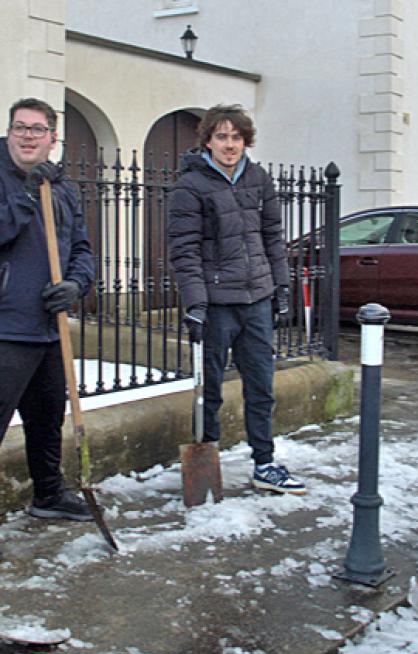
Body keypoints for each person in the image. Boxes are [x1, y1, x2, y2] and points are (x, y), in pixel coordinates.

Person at [0, 97, 96, 565]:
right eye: (20, 128)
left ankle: (48, 493)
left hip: (47, 326)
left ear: (53, 137)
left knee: (46, 417)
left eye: (37, 129)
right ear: (9, 133)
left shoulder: (65, 190)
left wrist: (75, 284)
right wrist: (27, 195)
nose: (28, 136)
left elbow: (83, 249)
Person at [166, 104, 304, 495]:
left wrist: (280, 286)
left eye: (237, 137)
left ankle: (264, 462)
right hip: (215, 303)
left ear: (246, 141)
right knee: (208, 389)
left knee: (261, 385)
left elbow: (272, 237)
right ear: (208, 140)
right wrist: (194, 302)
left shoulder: (258, 179)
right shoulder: (190, 187)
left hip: (256, 297)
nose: (230, 145)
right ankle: (207, 461)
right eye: (222, 137)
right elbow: (185, 248)